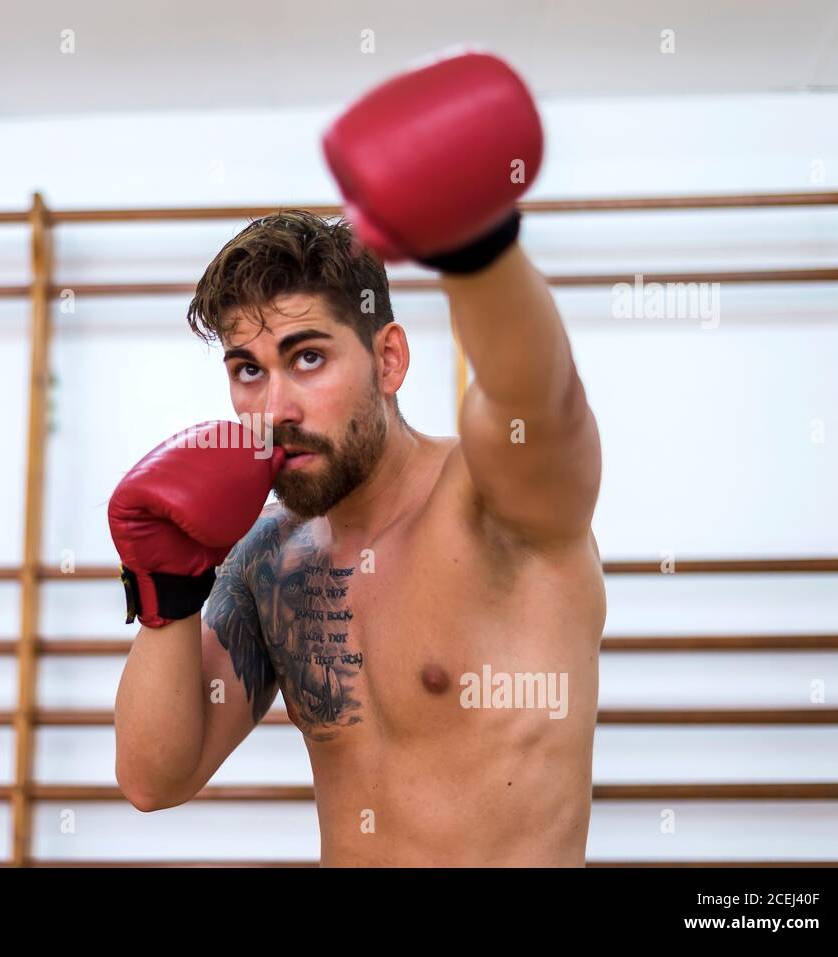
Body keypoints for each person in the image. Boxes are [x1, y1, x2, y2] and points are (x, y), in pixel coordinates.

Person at [110, 50, 605, 866]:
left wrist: (474, 247)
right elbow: (152, 778)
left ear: (389, 360)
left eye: (308, 358)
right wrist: (167, 589)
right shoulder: (269, 559)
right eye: (247, 370)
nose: (274, 409)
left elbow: (534, 400)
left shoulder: (498, 503)